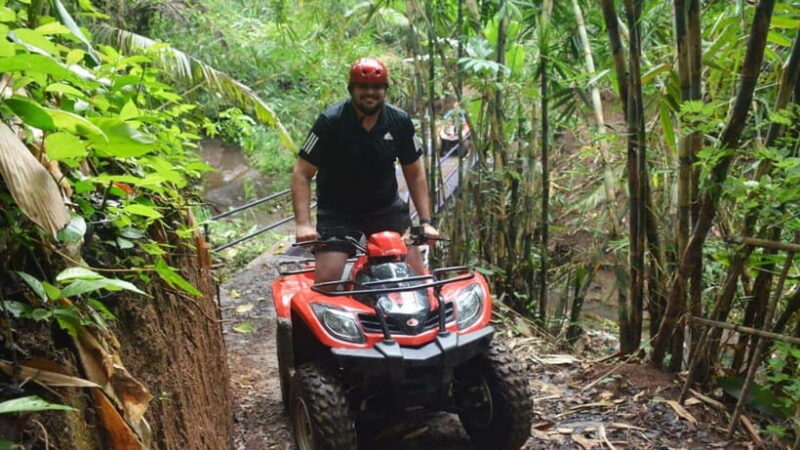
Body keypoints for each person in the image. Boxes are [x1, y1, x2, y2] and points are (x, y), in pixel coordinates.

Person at [291, 57, 439, 283]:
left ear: (385, 90)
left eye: (376, 87)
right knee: (328, 279)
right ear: (352, 89)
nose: (370, 93)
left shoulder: (399, 121)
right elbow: (302, 173)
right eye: (363, 87)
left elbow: (414, 172)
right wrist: (303, 224)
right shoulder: (330, 122)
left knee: (417, 275)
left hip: (386, 209)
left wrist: (426, 221)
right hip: (338, 212)